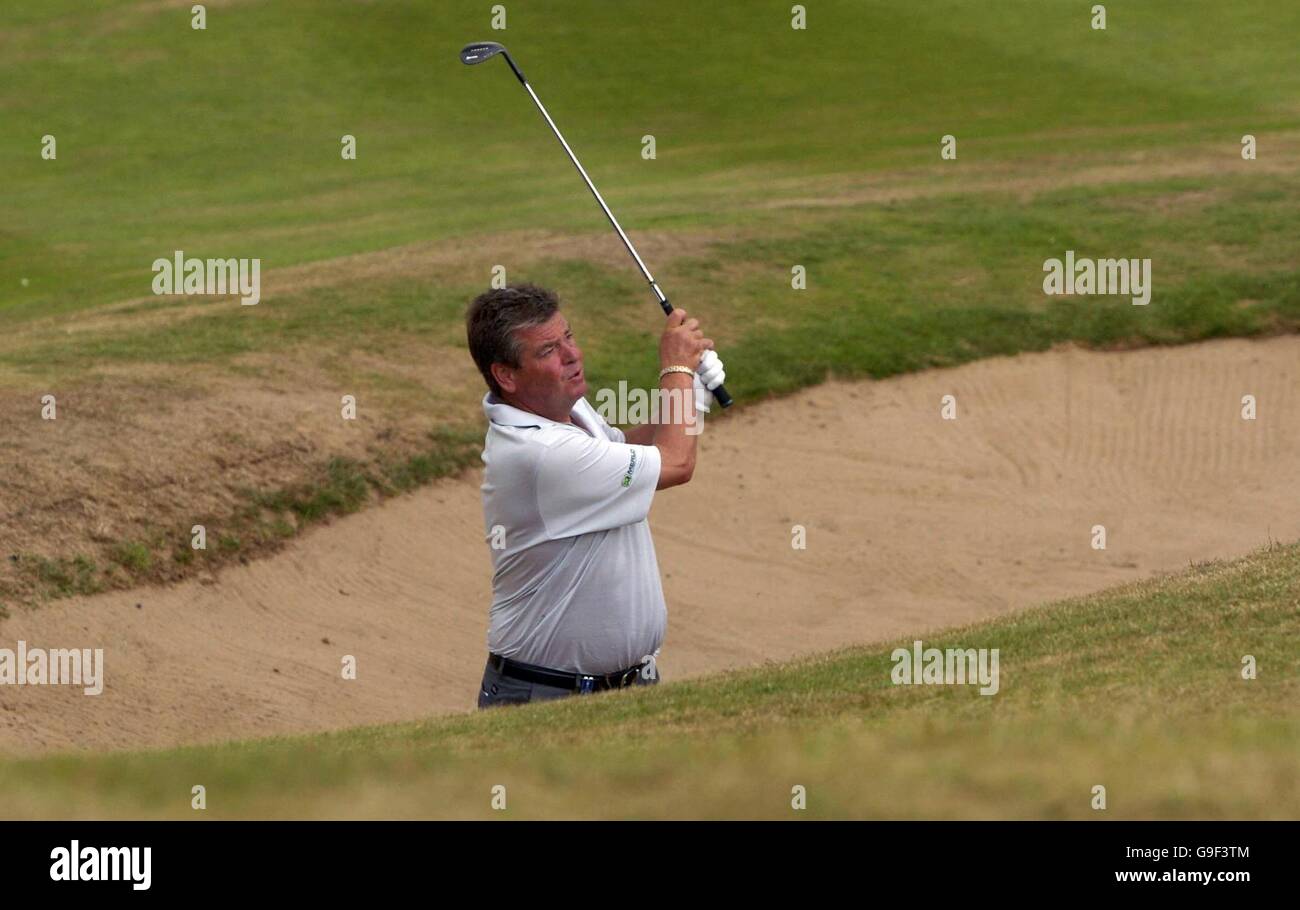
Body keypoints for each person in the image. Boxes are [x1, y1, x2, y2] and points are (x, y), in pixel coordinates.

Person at [465, 283, 725, 707]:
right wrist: (675, 369)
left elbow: (631, 450)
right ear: (506, 375)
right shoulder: (542, 454)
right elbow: (676, 464)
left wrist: (692, 392)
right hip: (546, 698)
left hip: (627, 690)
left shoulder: (567, 412)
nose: (572, 355)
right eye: (548, 350)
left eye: (568, 336)